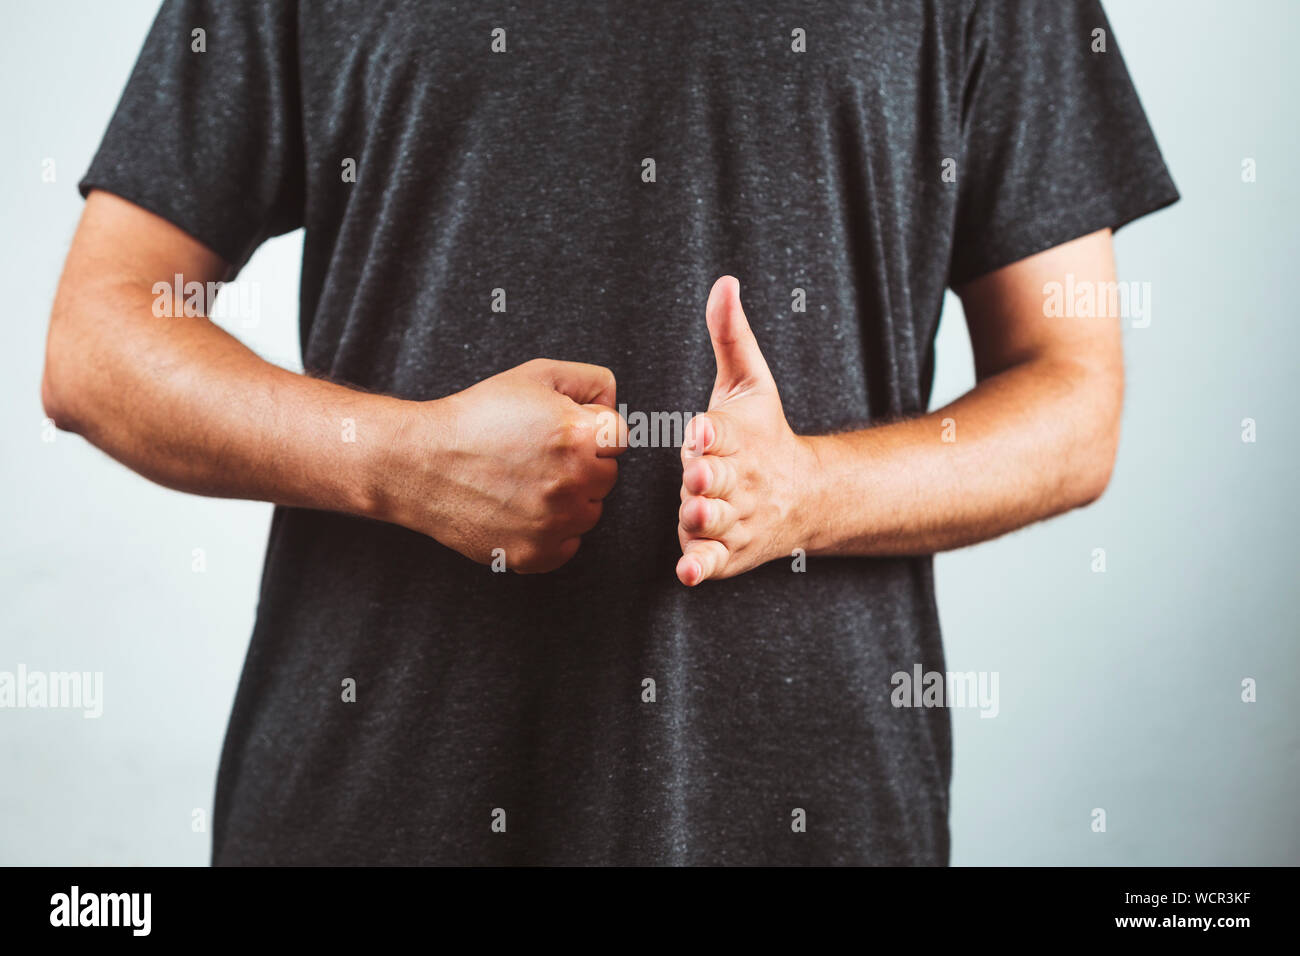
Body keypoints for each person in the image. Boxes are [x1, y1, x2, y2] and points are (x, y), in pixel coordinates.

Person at [42, 0, 1178, 865]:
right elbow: (98, 335)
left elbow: (1074, 396)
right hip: (368, 803)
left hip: (808, 817)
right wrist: (403, 461)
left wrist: (809, 492)